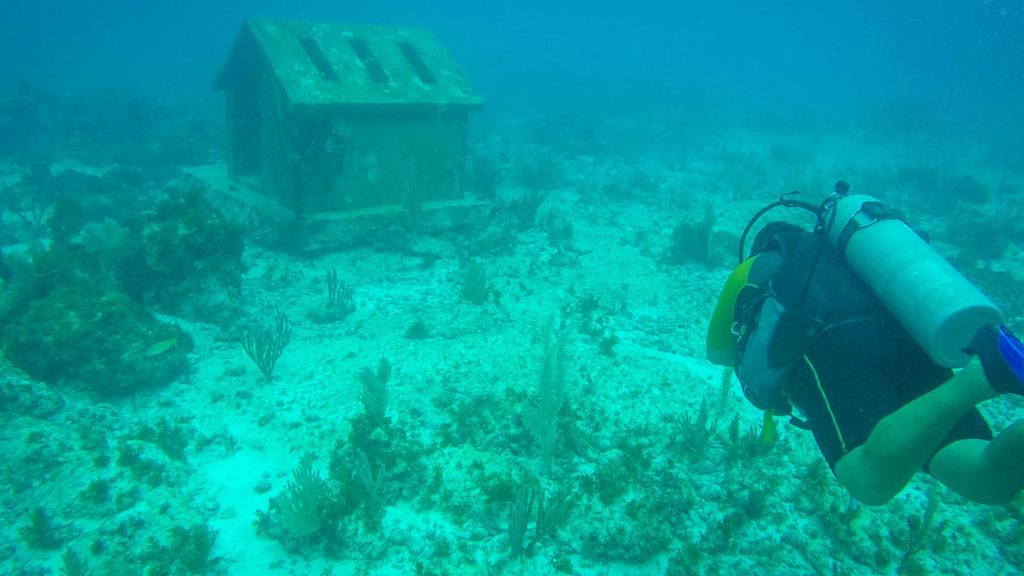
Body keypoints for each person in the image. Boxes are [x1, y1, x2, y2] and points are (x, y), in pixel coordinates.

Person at [706, 217, 1024, 506]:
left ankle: (976, 379)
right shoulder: (859, 263)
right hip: (907, 337)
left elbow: (717, 353)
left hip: (834, 351)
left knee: (868, 480)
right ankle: (988, 369)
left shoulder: (754, 266)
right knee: (983, 476)